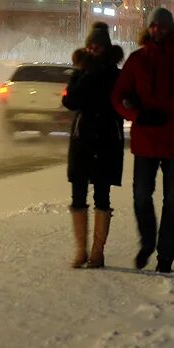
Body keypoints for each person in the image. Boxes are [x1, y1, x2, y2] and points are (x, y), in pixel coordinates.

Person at [111, 7, 174, 274]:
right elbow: (118, 96)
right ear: (148, 28)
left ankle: (165, 256)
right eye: (153, 25)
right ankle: (147, 242)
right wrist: (136, 114)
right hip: (145, 141)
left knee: (173, 201)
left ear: (171, 28)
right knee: (141, 196)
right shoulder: (137, 60)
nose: (157, 30)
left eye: (162, 25)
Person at [61, 22, 125, 269]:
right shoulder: (80, 73)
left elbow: (123, 104)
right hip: (83, 140)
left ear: (105, 48)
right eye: (90, 46)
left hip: (107, 140)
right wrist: (88, 75)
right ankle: (81, 250)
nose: (93, 49)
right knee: (78, 195)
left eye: (97, 46)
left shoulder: (116, 75)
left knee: (102, 195)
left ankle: (98, 252)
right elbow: (70, 101)